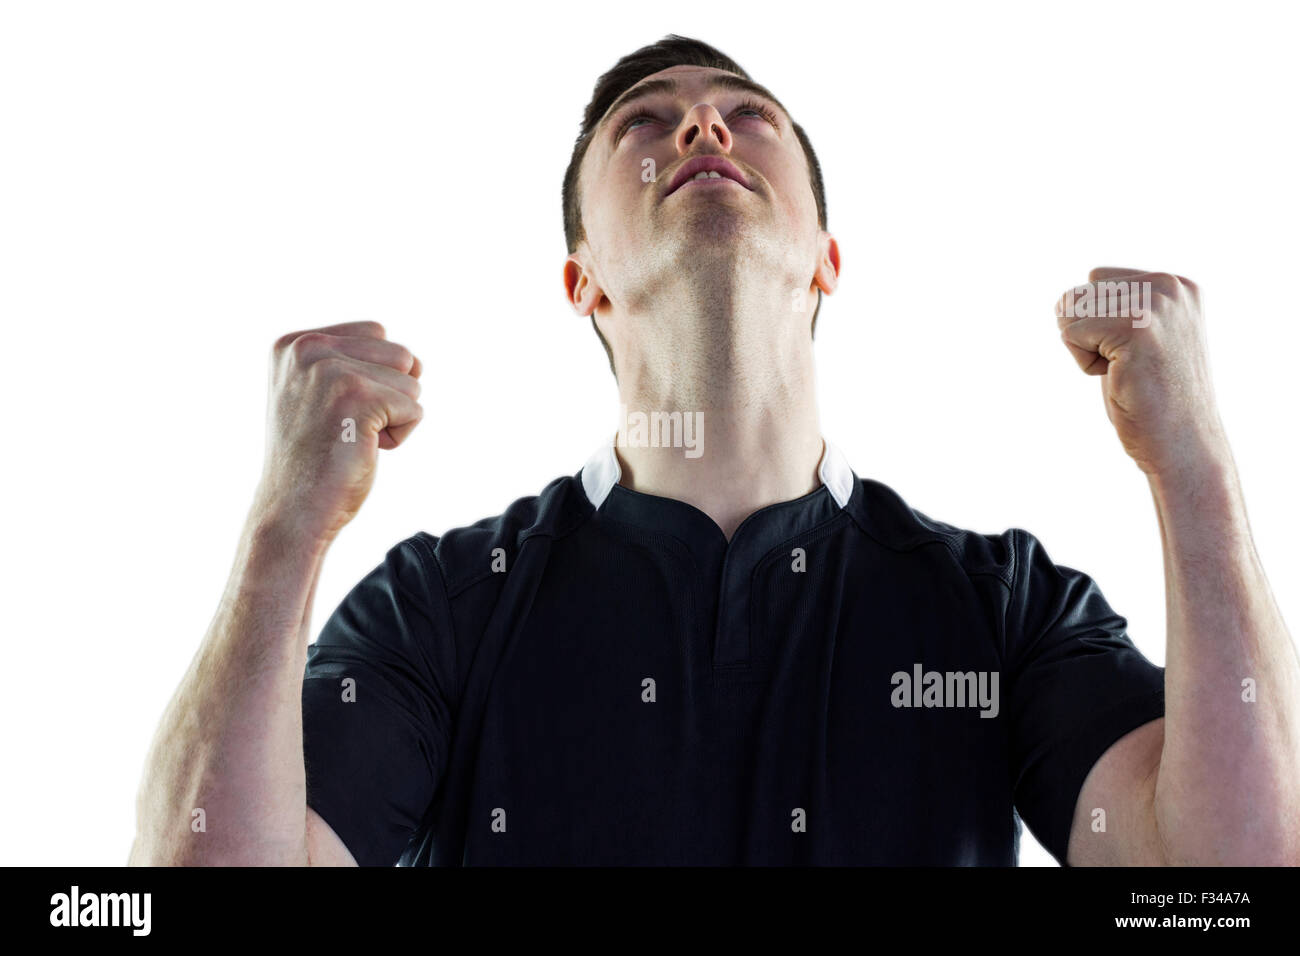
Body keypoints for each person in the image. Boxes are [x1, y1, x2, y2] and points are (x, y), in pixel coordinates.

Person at [130, 35, 1300, 866]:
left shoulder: (1001, 608)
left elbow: (1232, 873)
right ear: (583, 280)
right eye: (646, 122)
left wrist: (1193, 465)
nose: (699, 124)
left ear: (829, 259)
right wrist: (286, 526)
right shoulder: (442, 607)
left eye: (748, 116)